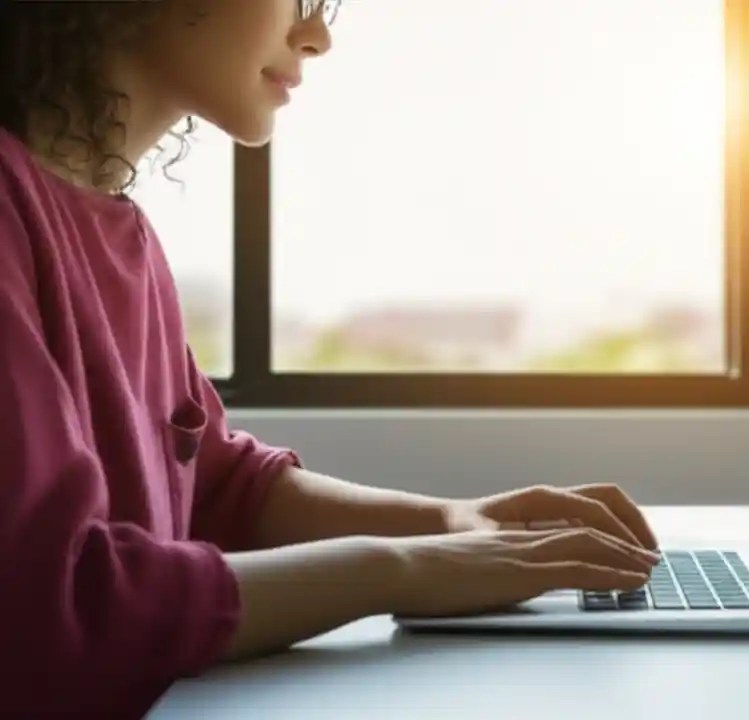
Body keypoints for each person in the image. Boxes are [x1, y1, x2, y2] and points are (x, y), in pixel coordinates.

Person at [0, 1, 661, 716]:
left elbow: (215, 490)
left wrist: (451, 523)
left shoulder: (121, 230)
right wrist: (401, 569)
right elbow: (54, 611)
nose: (315, 36)